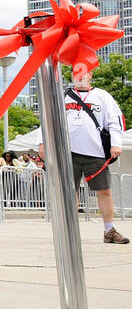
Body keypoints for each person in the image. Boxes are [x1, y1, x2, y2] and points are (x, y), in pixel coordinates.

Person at [45, 68, 127, 243]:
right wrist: (42, 143)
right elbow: (48, 119)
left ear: (90, 75)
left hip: (95, 152)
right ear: (72, 76)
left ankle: (109, 230)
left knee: (104, 190)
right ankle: (69, 232)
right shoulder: (63, 97)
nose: (80, 77)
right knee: (69, 192)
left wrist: (116, 143)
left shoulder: (102, 96)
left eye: (84, 73)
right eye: (77, 73)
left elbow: (115, 120)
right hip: (67, 152)